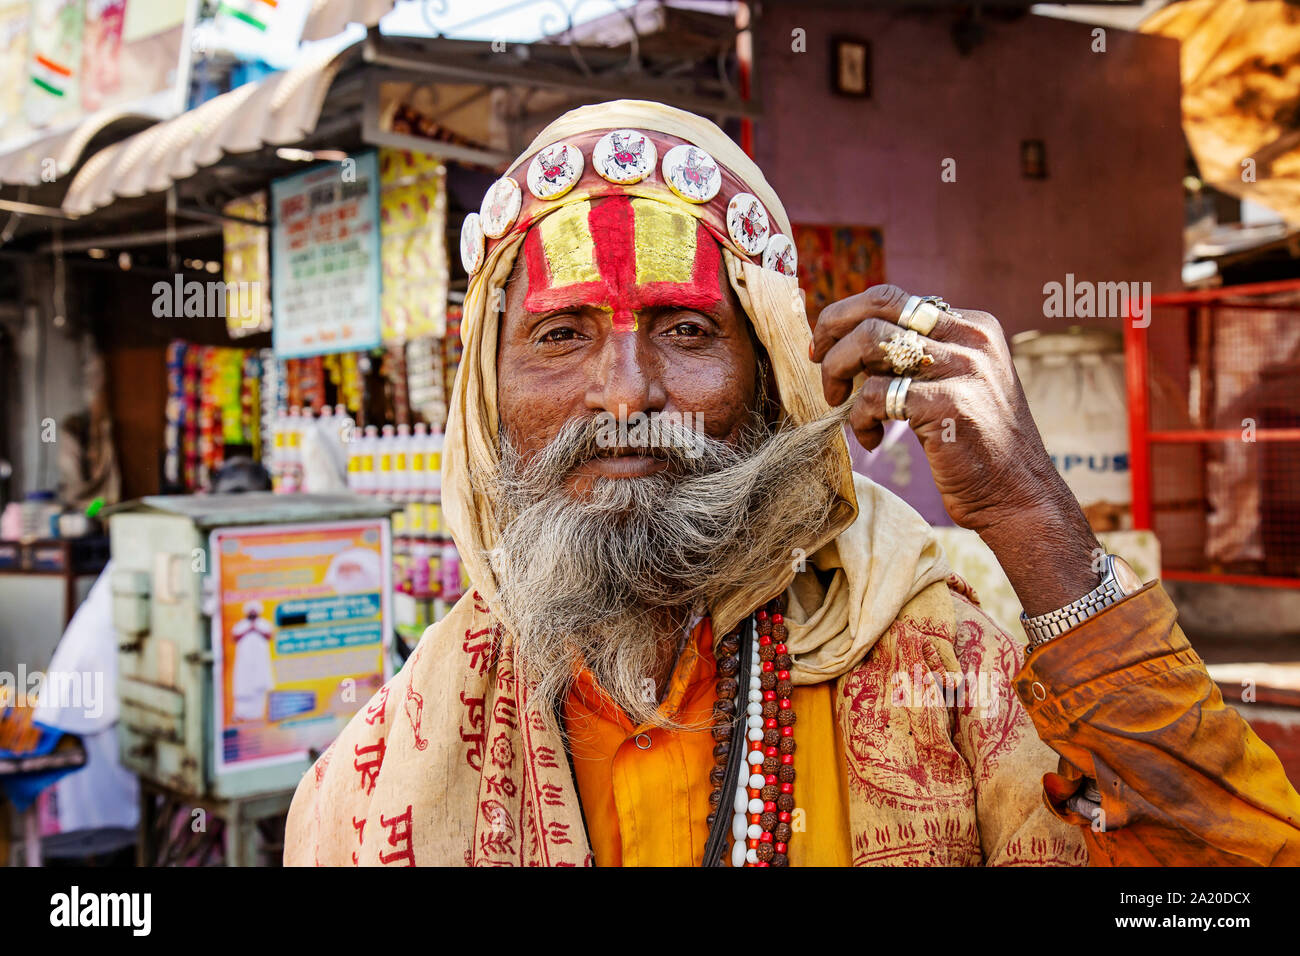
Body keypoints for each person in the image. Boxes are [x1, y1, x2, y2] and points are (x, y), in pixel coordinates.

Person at [285, 100, 1300, 867]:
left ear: (770, 375)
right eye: (561, 335)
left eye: (687, 332)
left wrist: (1032, 515)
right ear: (485, 396)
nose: (626, 393)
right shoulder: (393, 753)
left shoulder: (935, 656)